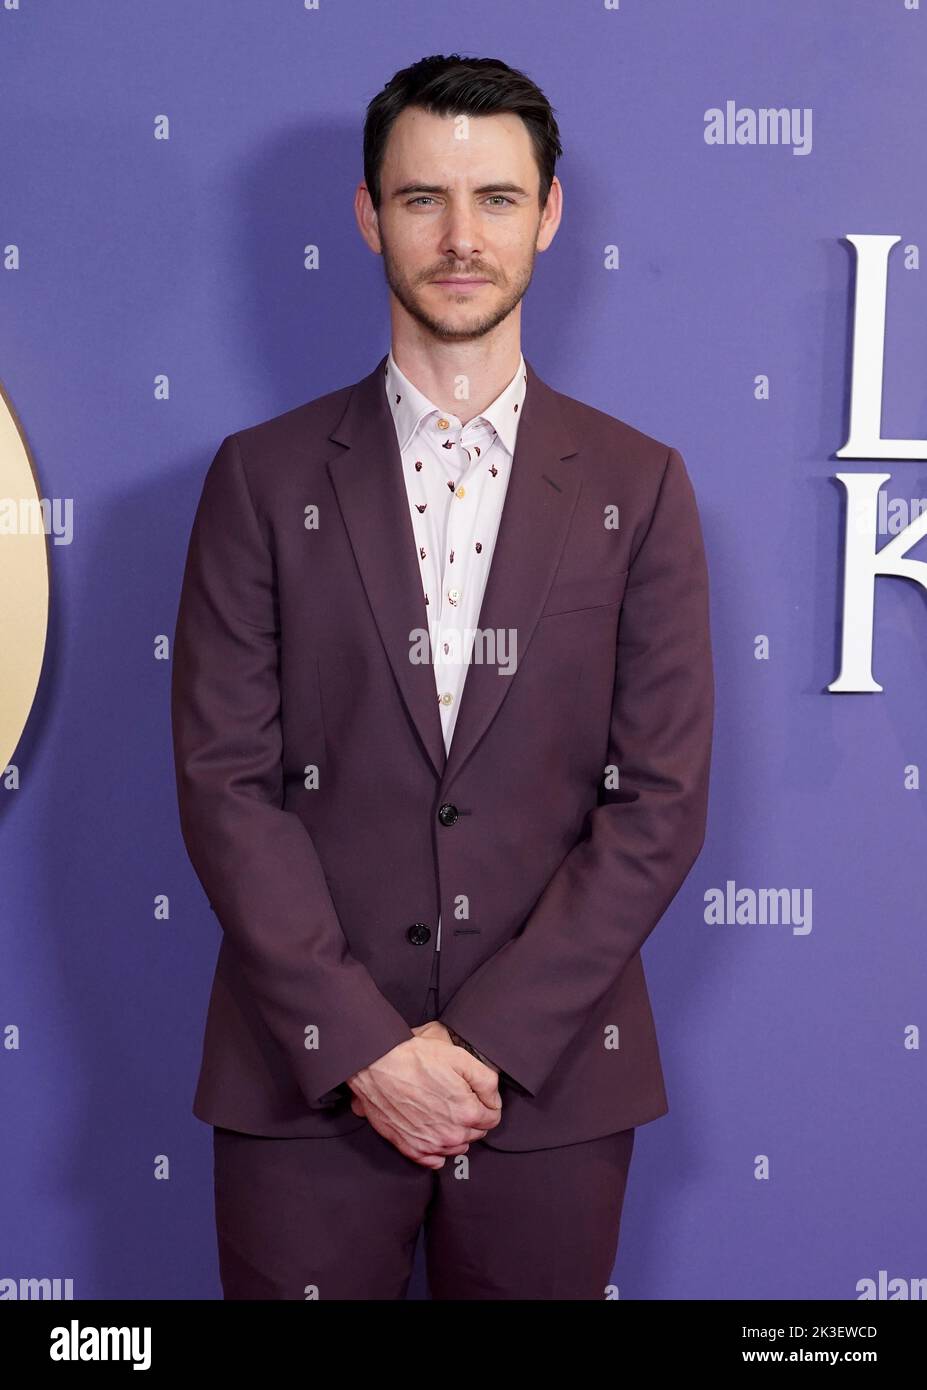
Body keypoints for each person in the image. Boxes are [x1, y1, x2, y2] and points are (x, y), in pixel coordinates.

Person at [170, 52, 714, 1301]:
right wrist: (367, 1049)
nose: (462, 237)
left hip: (553, 1087)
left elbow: (661, 803)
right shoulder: (260, 480)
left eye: (498, 199)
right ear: (369, 216)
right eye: (422, 199)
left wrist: (479, 1046)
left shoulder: (644, 487)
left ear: (552, 214)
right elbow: (226, 785)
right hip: (301, 1085)